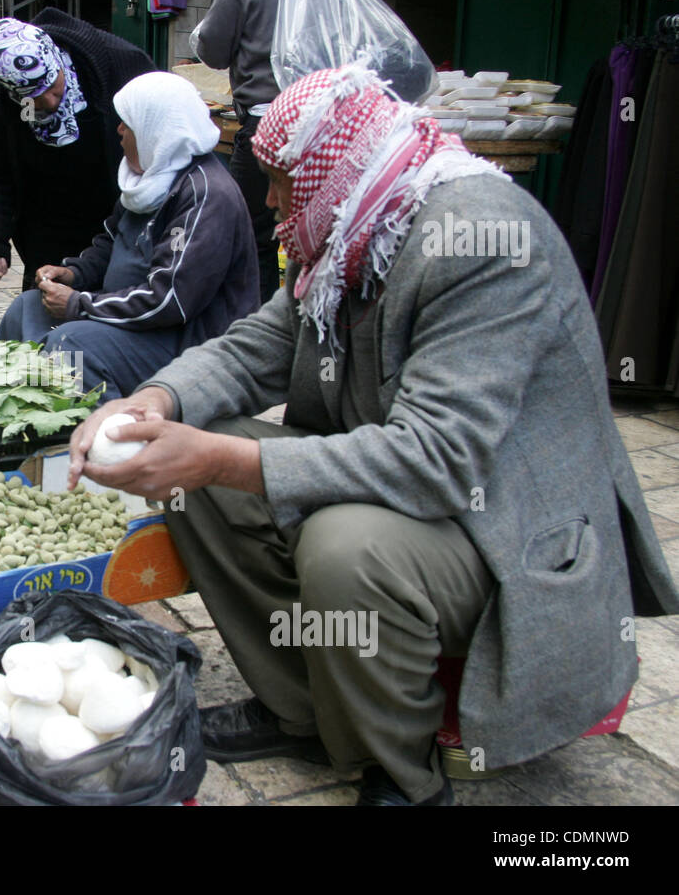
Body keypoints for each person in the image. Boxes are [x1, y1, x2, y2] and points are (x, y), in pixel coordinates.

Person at [66, 62, 679, 806]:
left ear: (334, 165)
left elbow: (437, 459)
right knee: (206, 468)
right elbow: (256, 347)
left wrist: (222, 459)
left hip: (500, 526)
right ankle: (304, 708)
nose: (271, 202)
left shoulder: (479, 240)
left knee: (342, 545)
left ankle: (404, 773)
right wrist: (155, 402)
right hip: (416, 495)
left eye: (281, 180)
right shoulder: (357, 223)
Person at [0, 72, 259, 402]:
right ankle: (18, 414)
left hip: (190, 341)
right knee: (26, 309)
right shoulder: (149, 179)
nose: (119, 130)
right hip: (137, 322)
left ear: (155, 130)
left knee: (73, 348)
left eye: (128, 124)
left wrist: (78, 304)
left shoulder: (204, 195)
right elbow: (109, 243)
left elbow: (167, 301)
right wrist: (74, 273)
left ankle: (107, 444)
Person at [0, 10, 153, 295]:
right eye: (33, 99)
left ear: (57, 61)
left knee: (112, 304)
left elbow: (160, 135)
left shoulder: (122, 65)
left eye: (52, 88)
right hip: (45, 221)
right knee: (45, 306)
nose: (48, 102)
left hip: (117, 214)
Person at [191, 0, 285, 303]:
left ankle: (258, 333)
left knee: (251, 235)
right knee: (306, 235)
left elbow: (212, 51)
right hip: (322, 123)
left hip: (265, 123)